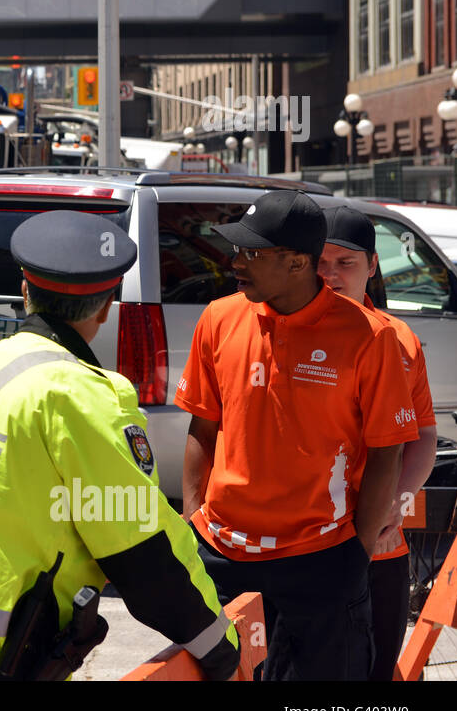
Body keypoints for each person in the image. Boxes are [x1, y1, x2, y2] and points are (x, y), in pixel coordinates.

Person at [0, 210, 240, 680]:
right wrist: (219, 645)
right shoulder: (81, 395)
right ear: (105, 308)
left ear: (25, 291)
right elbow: (139, 550)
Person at [177, 190, 418, 681]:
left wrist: (358, 553)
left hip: (322, 560)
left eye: (252, 253)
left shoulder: (370, 336)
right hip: (223, 555)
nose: (236, 262)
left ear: (297, 264)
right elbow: (203, 426)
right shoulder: (219, 318)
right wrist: (191, 518)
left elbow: (386, 452)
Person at [317, 206, 437, 681]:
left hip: (383, 548)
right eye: (320, 263)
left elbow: (423, 436)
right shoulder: (284, 333)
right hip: (304, 548)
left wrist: (397, 501)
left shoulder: (399, 338)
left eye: (344, 263)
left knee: (378, 674)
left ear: (371, 265)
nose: (330, 275)